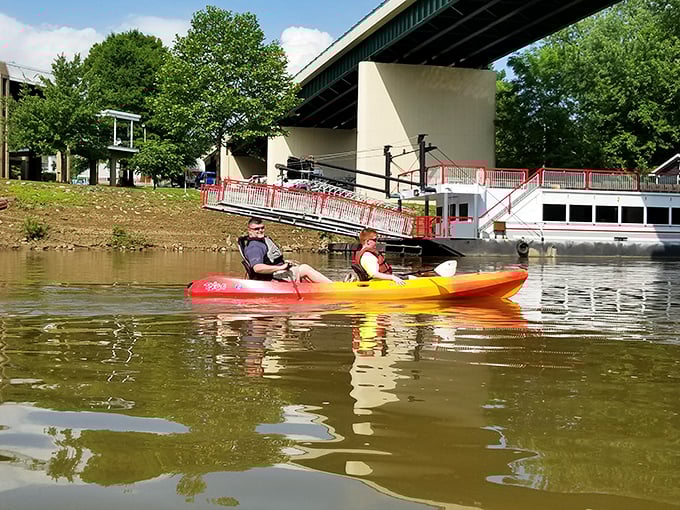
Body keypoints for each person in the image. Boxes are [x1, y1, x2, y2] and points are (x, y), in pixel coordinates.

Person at [242, 217, 332, 283]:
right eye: (256, 229)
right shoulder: (255, 247)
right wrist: (281, 267)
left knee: (301, 271)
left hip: (277, 273)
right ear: (249, 230)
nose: (260, 230)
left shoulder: (261, 242)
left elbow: (269, 260)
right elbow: (258, 268)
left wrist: (285, 264)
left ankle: (323, 288)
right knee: (305, 269)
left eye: (262, 228)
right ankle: (334, 287)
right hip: (272, 277)